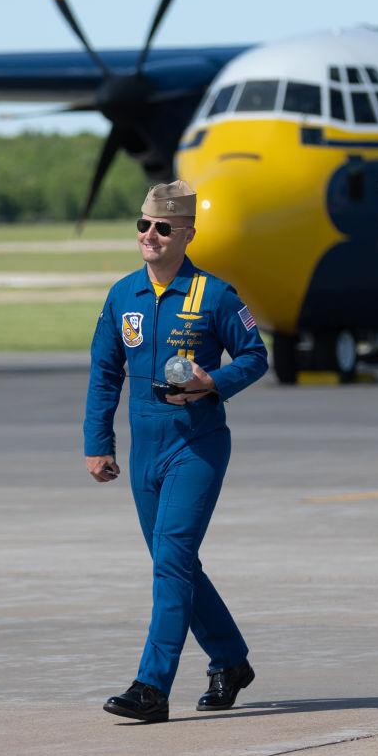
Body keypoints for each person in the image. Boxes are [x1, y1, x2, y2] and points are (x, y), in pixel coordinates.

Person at [83, 180, 268, 723]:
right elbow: (103, 373)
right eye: (144, 226)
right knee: (176, 563)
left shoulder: (215, 295)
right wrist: (98, 444)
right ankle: (231, 661)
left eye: (163, 228)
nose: (151, 236)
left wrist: (216, 381)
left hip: (197, 444)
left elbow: (256, 355)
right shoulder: (123, 296)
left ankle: (151, 686)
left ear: (186, 234)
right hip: (145, 448)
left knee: (171, 562)